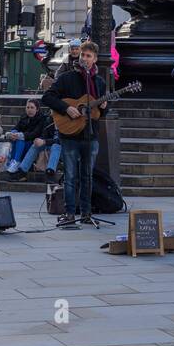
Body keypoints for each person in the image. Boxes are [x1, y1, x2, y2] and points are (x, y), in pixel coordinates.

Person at [41, 41, 108, 226]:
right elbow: (47, 97)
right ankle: (70, 213)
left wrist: (104, 107)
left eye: (88, 56)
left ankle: (86, 213)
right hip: (69, 134)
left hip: (90, 134)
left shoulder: (99, 82)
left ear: (94, 59)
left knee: (87, 175)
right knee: (71, 175)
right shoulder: (67, 78)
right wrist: (66, 109)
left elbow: (99, 115)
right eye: (82, 56)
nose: (84, 59)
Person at [6, 99, 61, 180]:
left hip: (64, 148)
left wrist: (44, 141)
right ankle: (22, 171)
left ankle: (50, 173)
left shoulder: (65, 123)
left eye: (32, 107)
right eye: (52, 110)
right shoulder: (48, 120)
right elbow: (43, 134)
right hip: (46, 143)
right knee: (35, 145)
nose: (52, 112)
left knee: (56, 146)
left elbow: (62, 140)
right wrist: (40, 140)